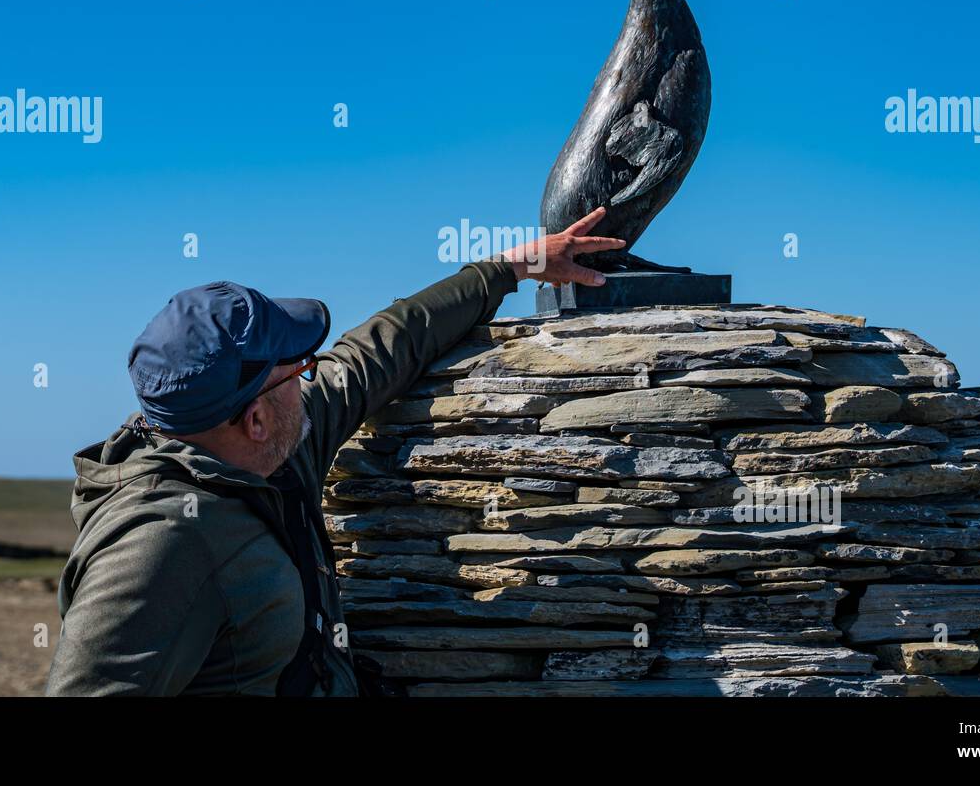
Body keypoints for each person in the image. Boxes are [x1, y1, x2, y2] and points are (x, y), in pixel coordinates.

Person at [44, 208, 624, 695]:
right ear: (254, 417)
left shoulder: (271, 454)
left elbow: (379, 350)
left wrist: (508, 267)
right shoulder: (160, 542)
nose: (312, 380)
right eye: (298, 370)